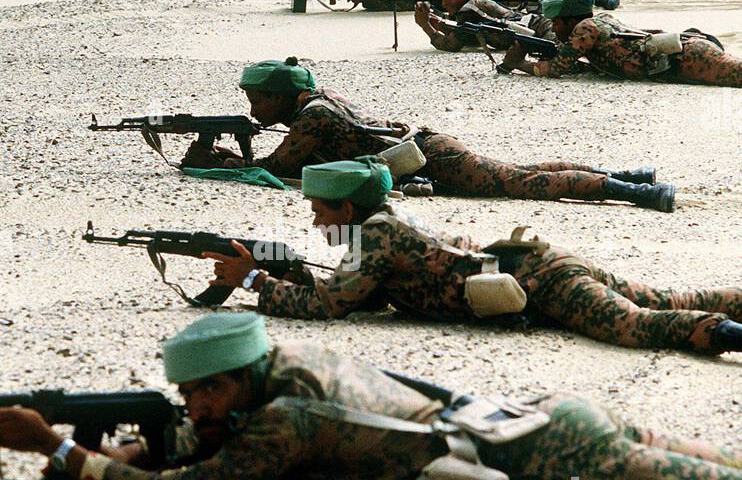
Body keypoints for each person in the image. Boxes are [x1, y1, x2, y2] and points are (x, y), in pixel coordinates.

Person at [0, 311, 742, 480]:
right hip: (535, 420)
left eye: (207, 392)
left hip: (559, 461)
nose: (196, 408)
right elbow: (207, 438)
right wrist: (135, 444)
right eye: (189, 396)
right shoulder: (288, 362)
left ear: (243, 377)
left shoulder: (285, 415)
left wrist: (60, 451)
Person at [207, 157, 742, 358]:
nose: (317, 221)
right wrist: (281, 269)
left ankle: (727, 335)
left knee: (635, 326)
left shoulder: (373, 237)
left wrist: (253, 280)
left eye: (322, 211)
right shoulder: (383, 223)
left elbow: (331, 306)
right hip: (533, 266)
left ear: (347, 206)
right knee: (664, 298)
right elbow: (354, 290)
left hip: (539, 281)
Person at [181, 56, 674, 211]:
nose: (252, 107)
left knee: (521, 184)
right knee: (520, 172)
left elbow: (278, 170)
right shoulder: (318, 103)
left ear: (280, 96)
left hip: (430, 159)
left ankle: (632, 191)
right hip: (428, 149)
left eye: (257, 99)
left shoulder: (313, 117)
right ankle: (626, 175)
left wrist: (222, 162)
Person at [501, 0, 742, 87]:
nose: (554, 27)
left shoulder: (586, 28)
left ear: (569, 21)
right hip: (686, 51)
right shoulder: (601, 20)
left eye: (556, 23)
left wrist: (519, 64)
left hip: (686, 58)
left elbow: (557, 68)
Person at [413, 0, 557, 53]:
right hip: (534, 25)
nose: (445, 2)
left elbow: (452, 45)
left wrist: (425, 25)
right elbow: (468, 35)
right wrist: (437, 24)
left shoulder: (469, 10)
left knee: (560, 53)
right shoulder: (472, 5)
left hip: (537, 26)